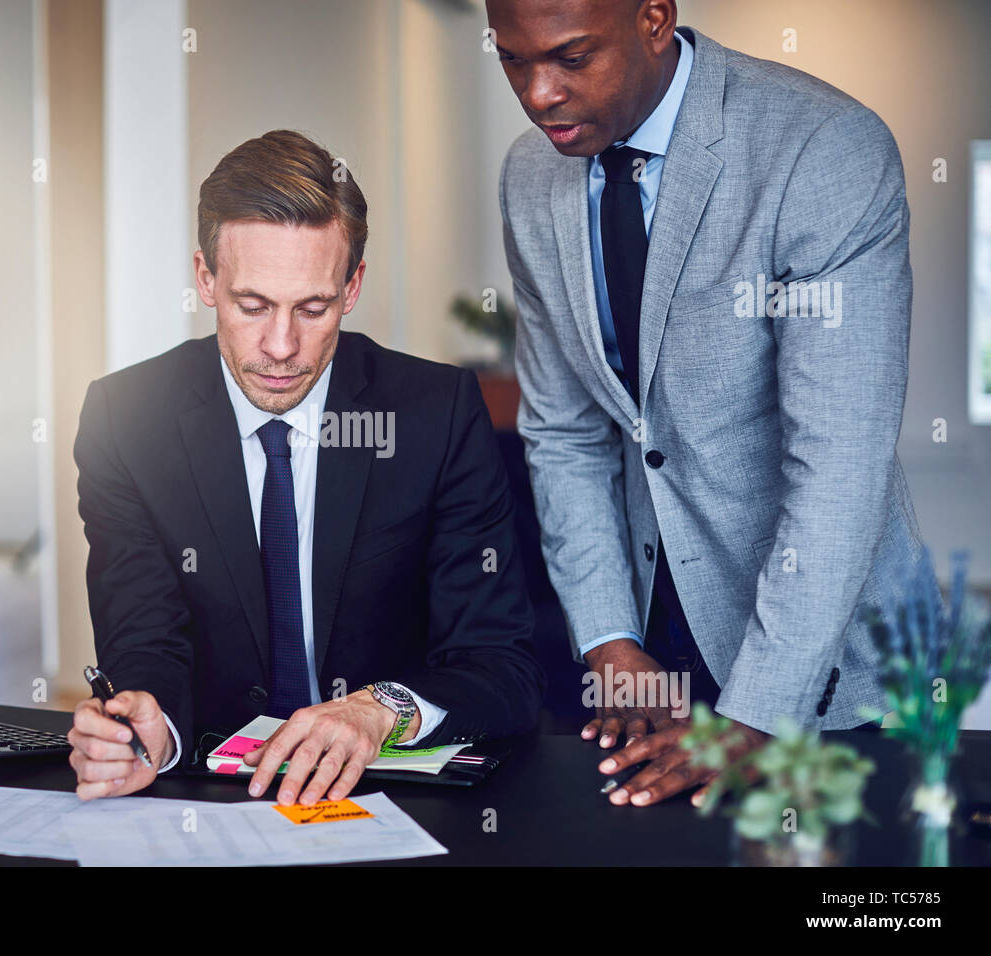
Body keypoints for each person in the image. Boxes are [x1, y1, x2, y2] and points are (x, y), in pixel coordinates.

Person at [488, 0, 928, 807]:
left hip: (825, 658)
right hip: (651, 642)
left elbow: (838, 463)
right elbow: (564, 431)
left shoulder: (821, 151)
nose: (538, 92)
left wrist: (760, 713)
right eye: (512, 58)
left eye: (572, 58)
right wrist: (609, 639)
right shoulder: (530, 175)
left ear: (654, 18)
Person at [69, 129, 544, 806]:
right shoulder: (125, 417)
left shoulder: (436, 414)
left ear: (352, 287)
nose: (281, 347)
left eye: (313, 308)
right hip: (212, 796)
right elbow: (143, 636)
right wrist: (151, 729)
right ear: (205, 278)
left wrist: (381, 710)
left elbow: (502, 664)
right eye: (252, 306)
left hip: (394, 798)